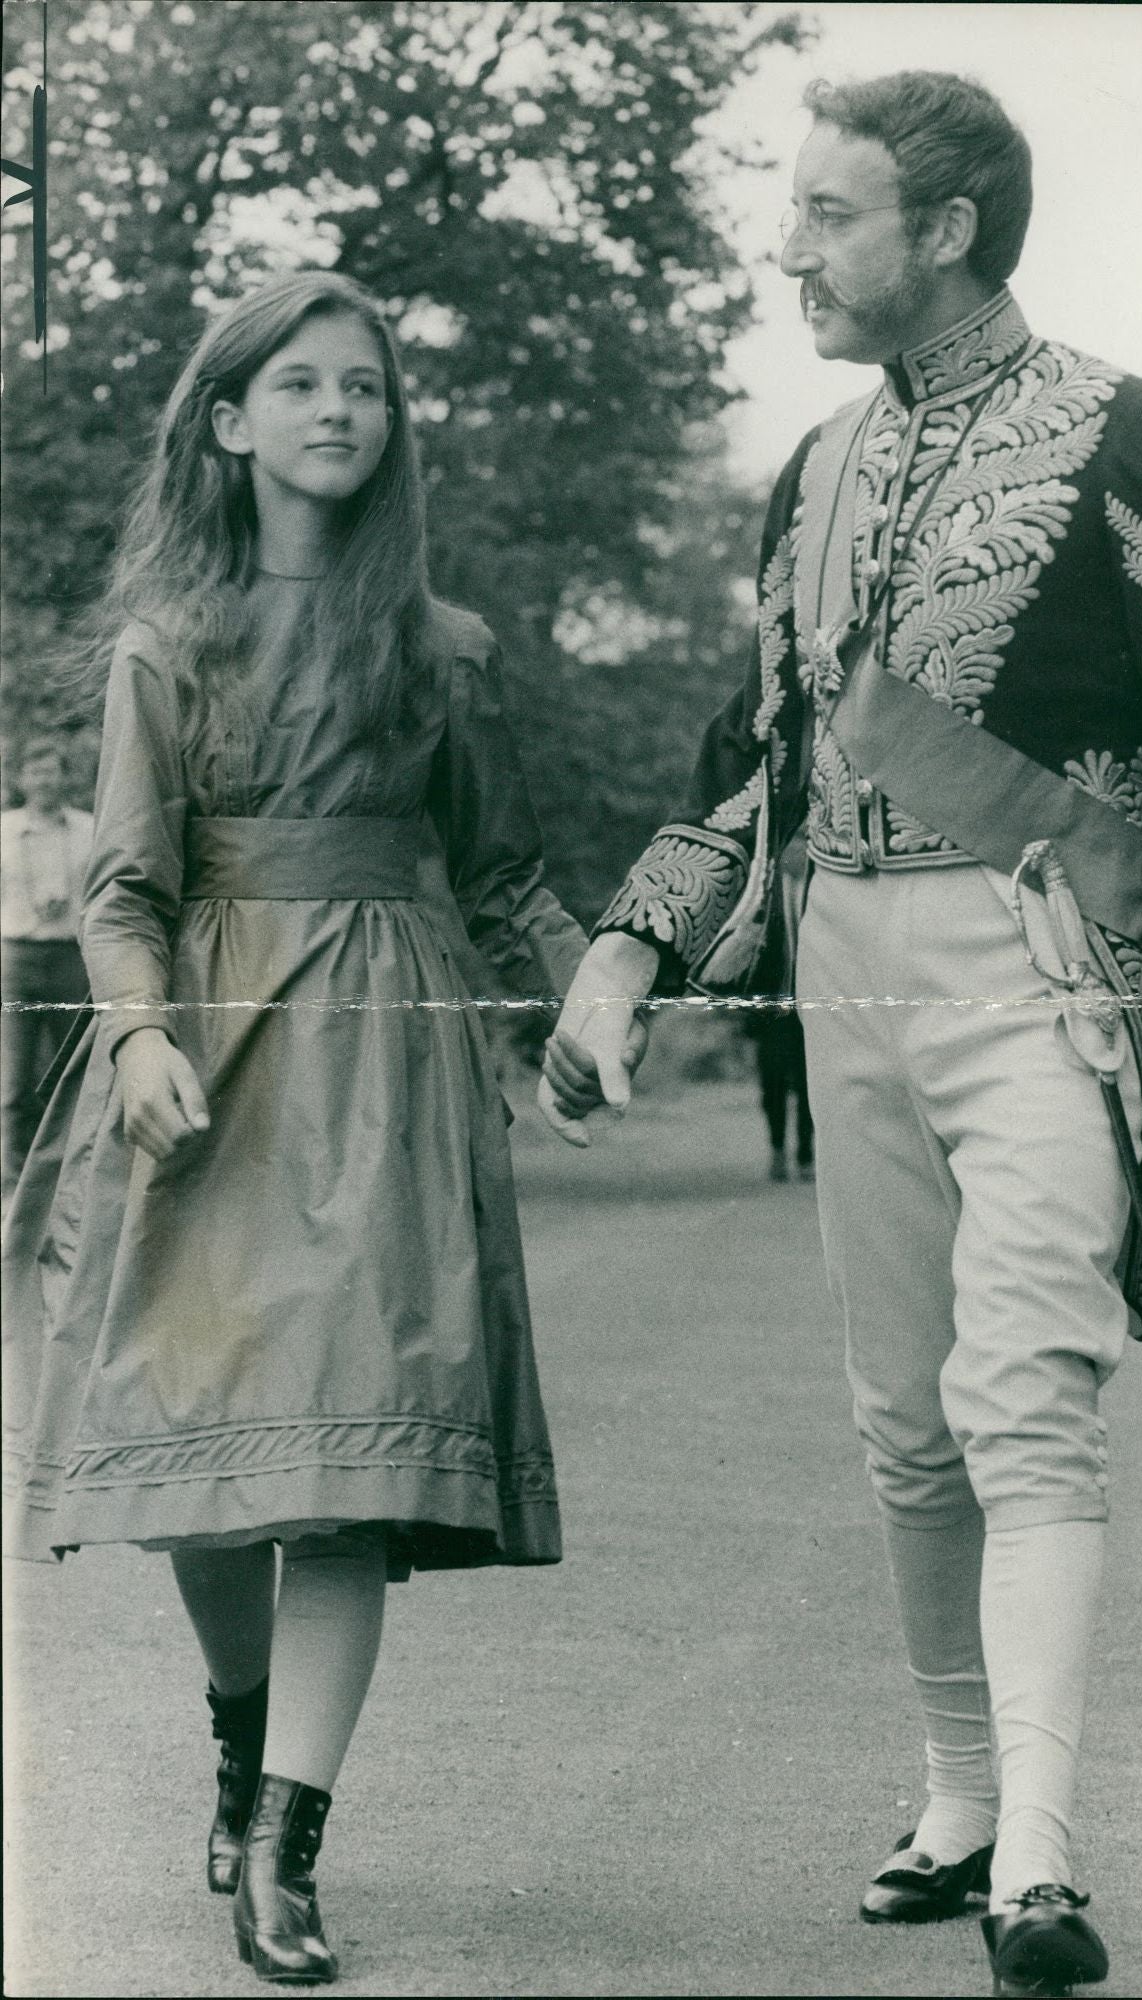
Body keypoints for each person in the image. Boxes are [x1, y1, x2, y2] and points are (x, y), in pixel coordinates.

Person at [537, 71, 1142, 1998]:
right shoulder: (811, 474)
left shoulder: (1117, 432)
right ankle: (959, 1798)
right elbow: (751, 752)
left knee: (1023, 1401)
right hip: (844, 966)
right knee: (903, 1421)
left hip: (1037, 966)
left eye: (827, 216)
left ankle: (1047, 1869)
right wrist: (624, 955)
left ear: (946, 231)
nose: (788, 251)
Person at [1, 270, 588, 1987]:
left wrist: (581, 1006)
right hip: (212, 1060)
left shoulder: (442, 645)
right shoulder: (163, 644)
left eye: (369, 388)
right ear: (230, 420)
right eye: (306, 385)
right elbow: (124, 888)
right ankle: (239, 1729)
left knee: (344, 1476)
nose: (343, 411)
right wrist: (135, 1040)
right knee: (205, 1481)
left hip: (390, 1073)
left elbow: (504, 878)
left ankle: (286, 1846)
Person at [1, 738, 93, 1197]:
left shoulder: (88, 829)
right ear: (21, 779)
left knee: (70, 1072)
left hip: (70, 959)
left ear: (64, 777)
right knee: (15, 1082)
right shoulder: (3, 829)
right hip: (16, 959)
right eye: (34, 771)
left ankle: (71, 1175)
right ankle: (16, 1182)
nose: (43, 780)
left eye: (51, 771)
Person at [743, 840, 814, 1181]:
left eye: (804, 846)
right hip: (772, 1012)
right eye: (793, 847)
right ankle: (776, 1149)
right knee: (771, 1082)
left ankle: (805, 1154)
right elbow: (748, 955)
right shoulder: (765, 897)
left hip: (812, 1012)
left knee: (809, 1084)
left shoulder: (819, 895)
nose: (798, 854)